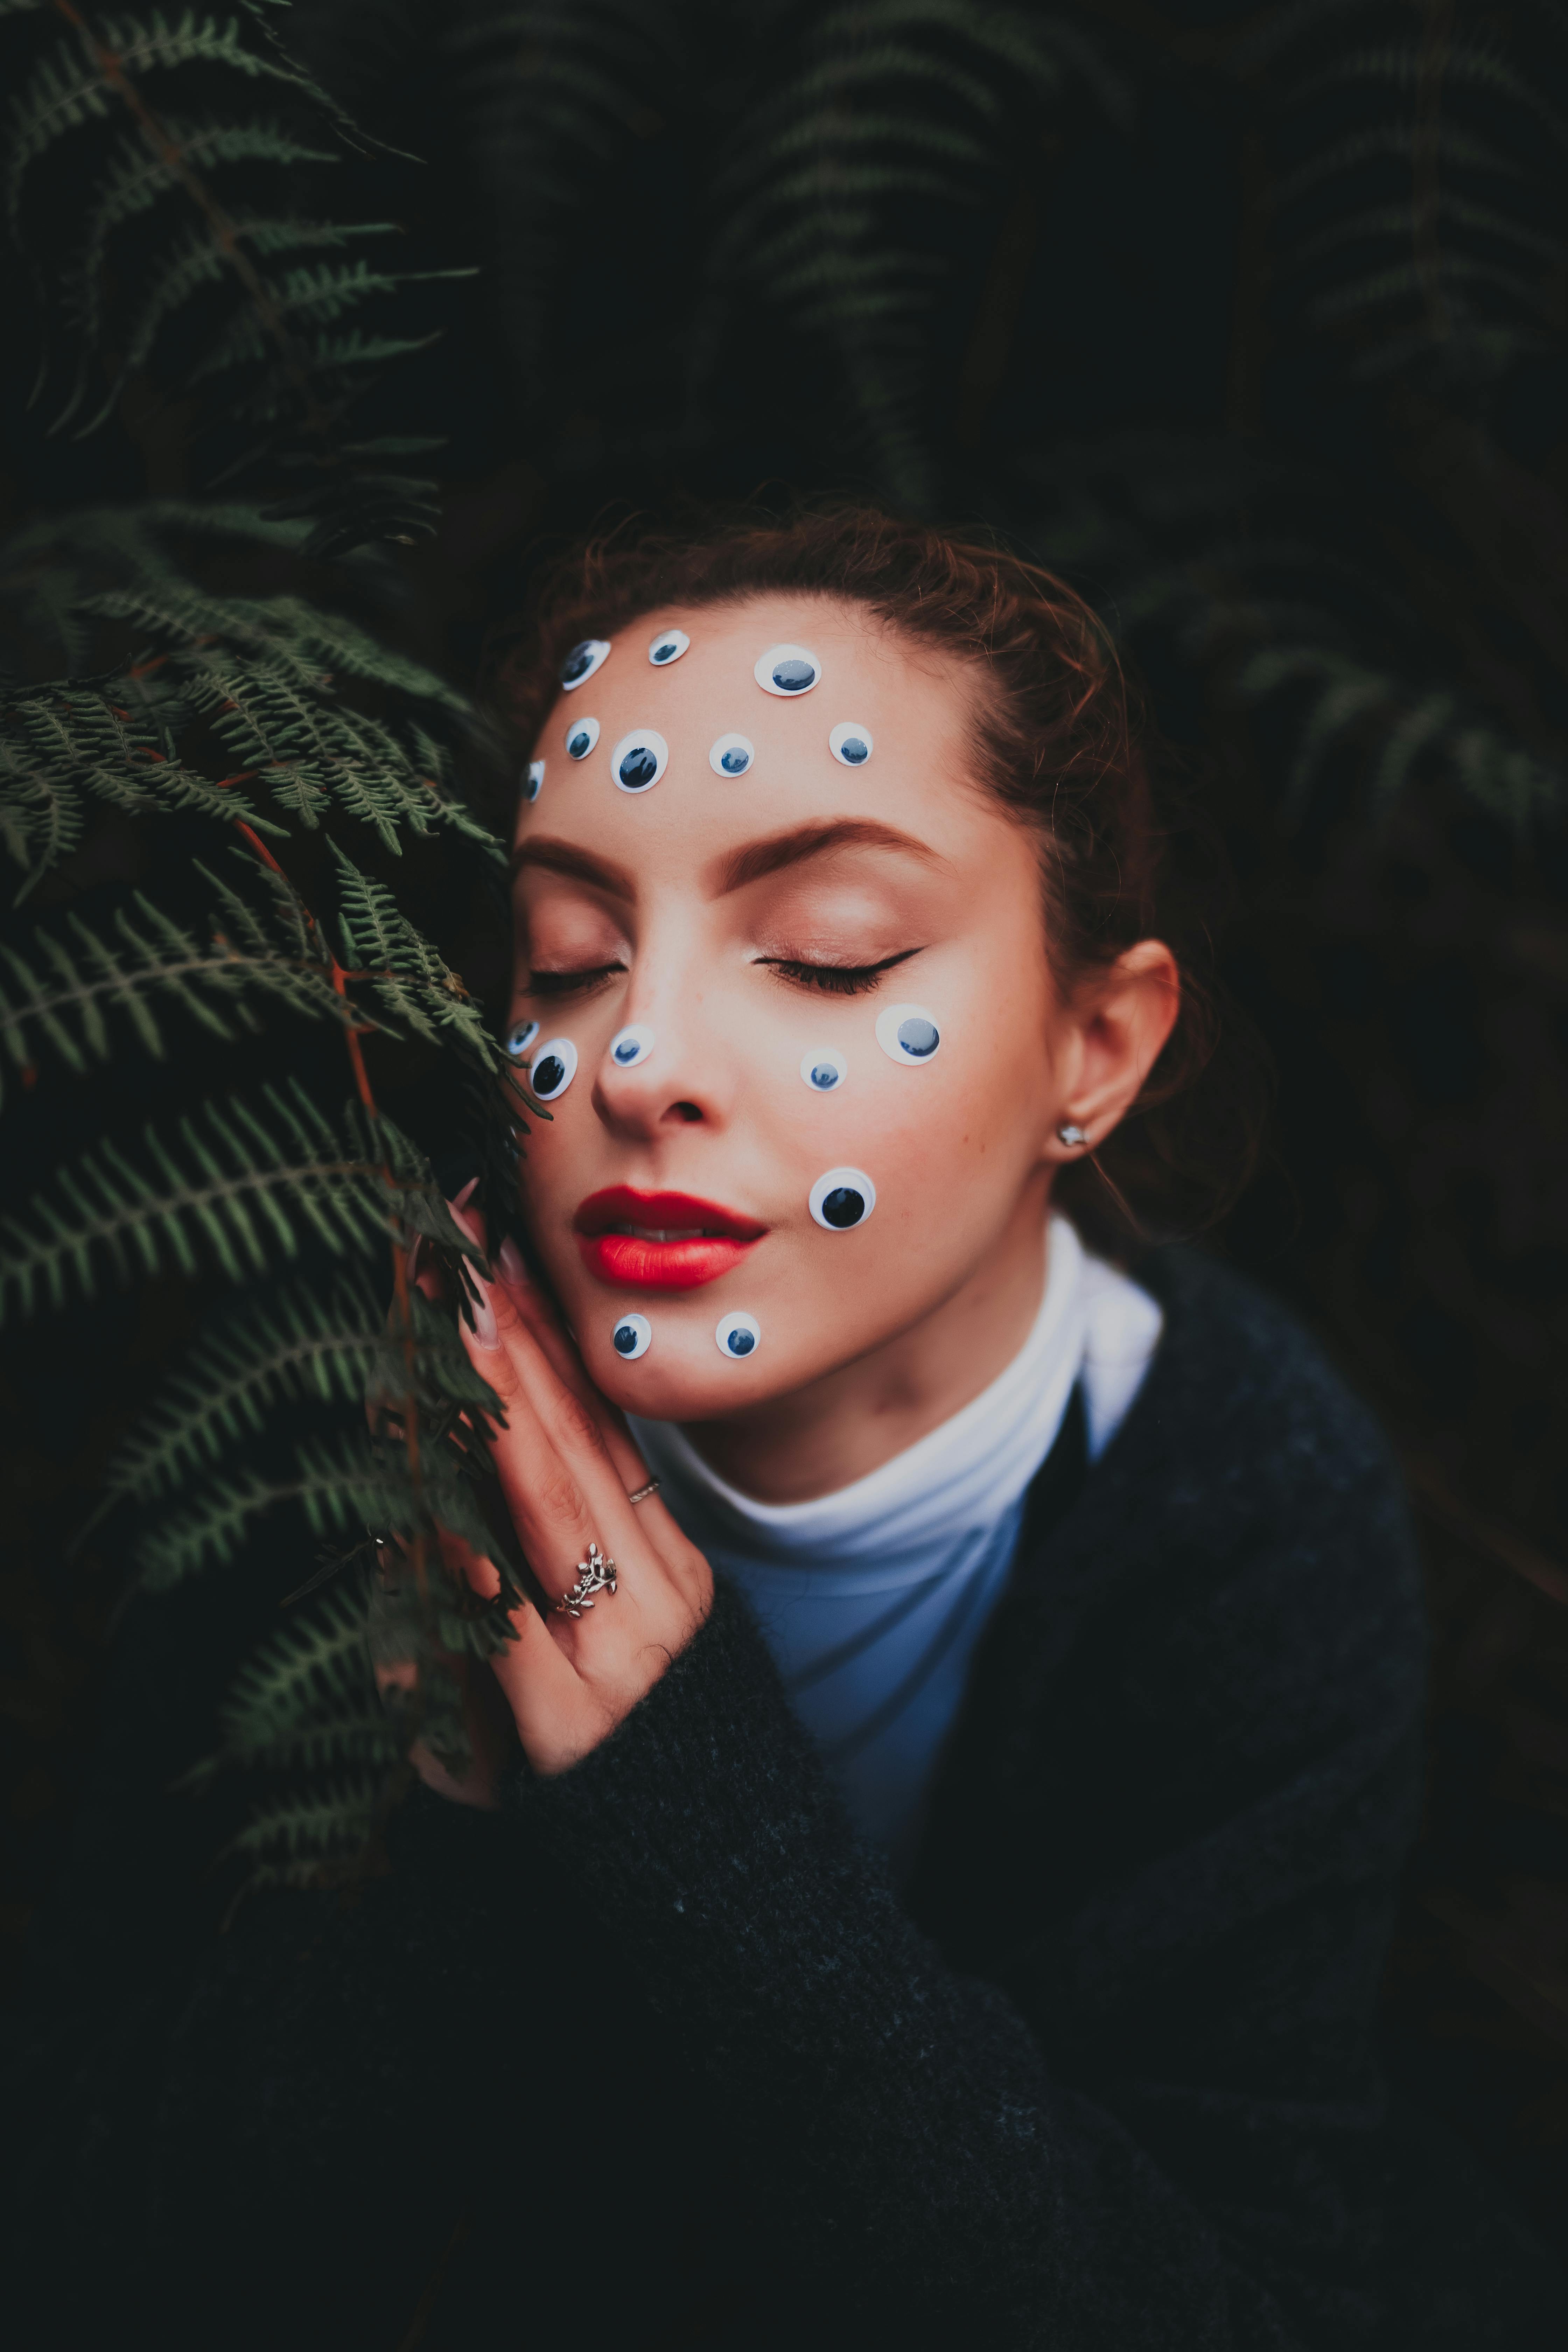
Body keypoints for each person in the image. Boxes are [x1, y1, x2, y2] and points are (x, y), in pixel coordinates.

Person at [7, 510, 1562, 2349]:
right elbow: (96, 2245)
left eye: (827, 956)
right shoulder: (347, 1443)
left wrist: (692, 1812)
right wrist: (448, 1822)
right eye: (572, 957)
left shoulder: (1244, 1505)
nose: (640, 1059)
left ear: (1098, 1048)